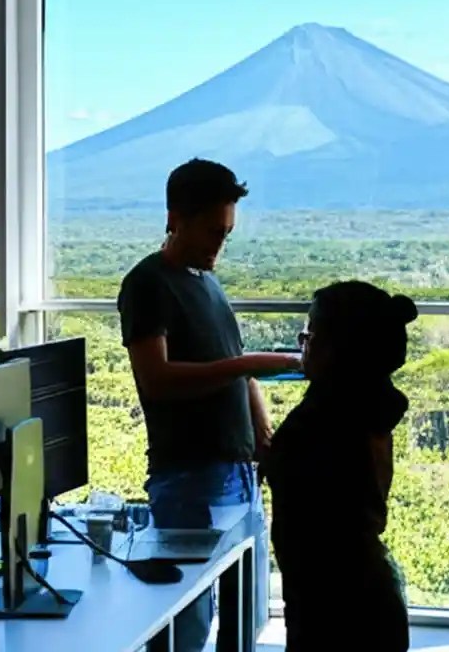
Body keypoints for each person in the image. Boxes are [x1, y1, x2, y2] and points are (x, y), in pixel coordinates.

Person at [117, 159, 298, 649]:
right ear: (176, 217)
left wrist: (262, 439)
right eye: (214, 232)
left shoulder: (209, 283)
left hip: (238, 477)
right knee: (184, 626)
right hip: (190, 482)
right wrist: (246, 367)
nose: (220, 244)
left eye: (226, 234)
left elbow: (237, 367)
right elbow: (156, 380)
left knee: (245, 620)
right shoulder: (148, 283)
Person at [265, 282, 415, 651]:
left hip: (336, 613)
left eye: (310, 335)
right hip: (359, 600)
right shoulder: (365, 407)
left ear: (336, 349)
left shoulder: (325, 423)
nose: (303, 344)